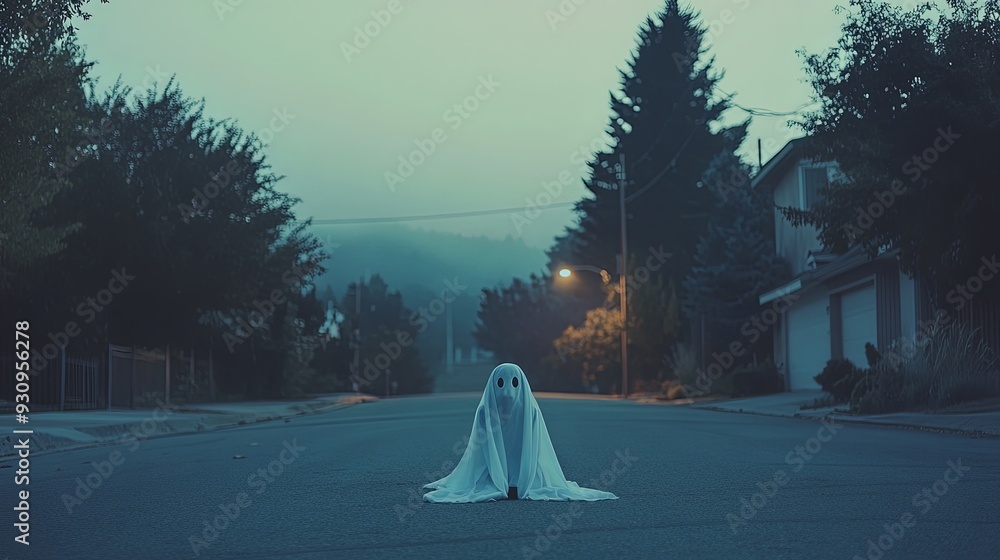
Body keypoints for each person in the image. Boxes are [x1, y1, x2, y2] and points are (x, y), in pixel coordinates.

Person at [423, 363, 619, 503]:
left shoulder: (529, 411)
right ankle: (506, 480)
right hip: (497, 474)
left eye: (514, 383)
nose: (507, 391)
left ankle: (512, 480)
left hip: (523, 475)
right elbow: (484, 450)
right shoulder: (486, 411)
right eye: (501, 384)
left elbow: (535, 446)